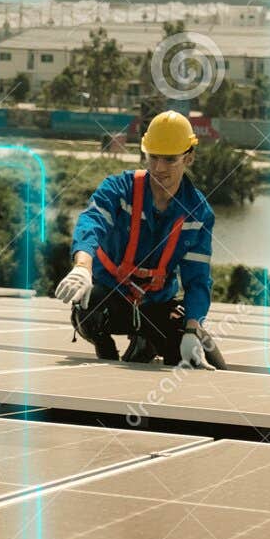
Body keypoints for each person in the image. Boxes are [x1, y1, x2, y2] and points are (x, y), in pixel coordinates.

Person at [53, 110, 225, 368]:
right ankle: (106, 358)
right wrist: (82, 266)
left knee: (200, 359)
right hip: (111, 299)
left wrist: (191, 329)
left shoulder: (198, 213)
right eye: (153, 157)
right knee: (92, 307)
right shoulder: (118, 189)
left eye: (169, 160)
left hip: (155, 305)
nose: (159, 168)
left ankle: (146, 343)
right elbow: (91, 223)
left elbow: (198, 279)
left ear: (189, 157)